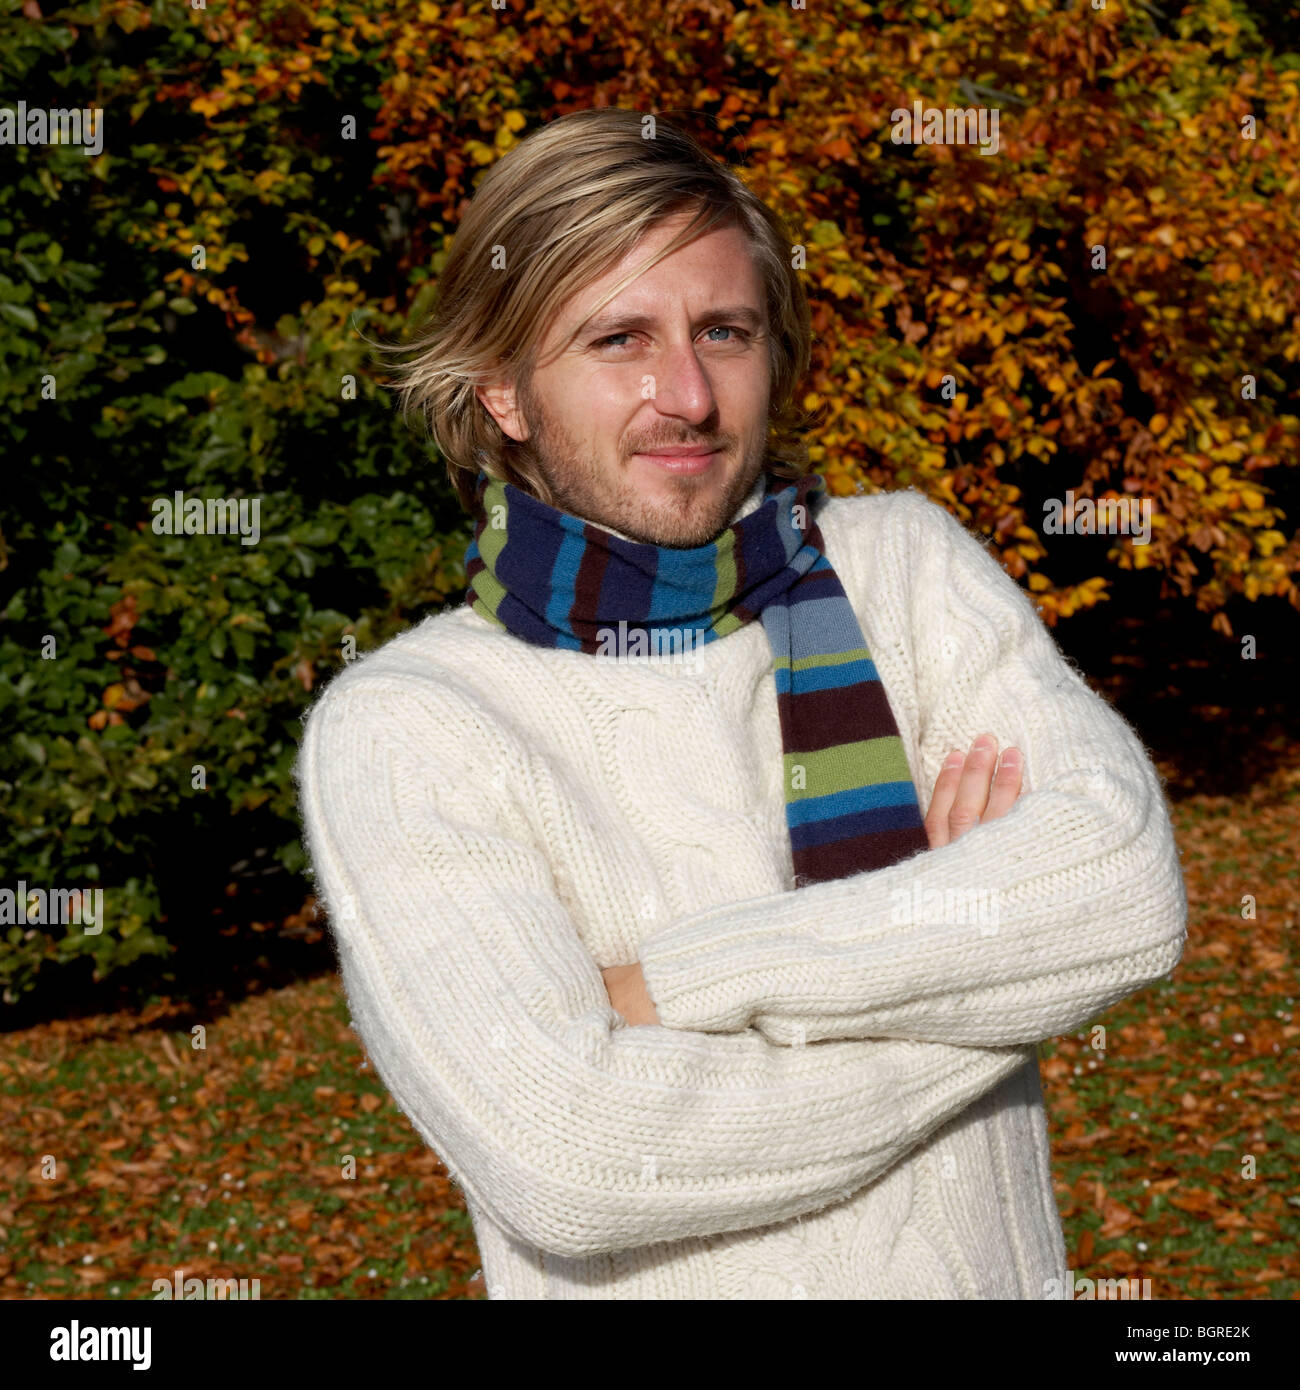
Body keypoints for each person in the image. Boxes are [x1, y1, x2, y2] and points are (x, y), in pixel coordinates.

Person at [294, 108, 1186, 1300]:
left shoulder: (901, 571)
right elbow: (575, 1155)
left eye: (724, 330)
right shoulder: (411, 723)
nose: (689, 395)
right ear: (502, 390)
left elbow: (1117, 893)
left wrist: (674, 987)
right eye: (617, 340)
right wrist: (974, 962)